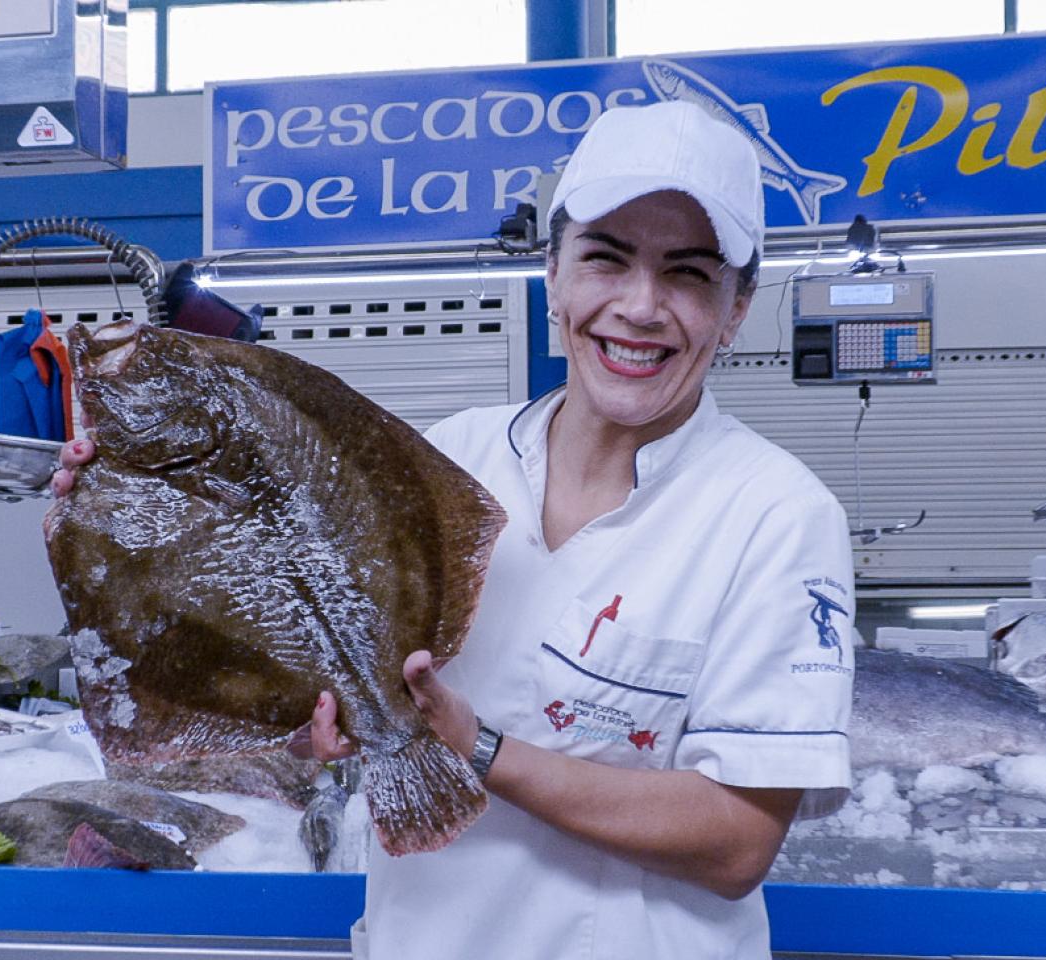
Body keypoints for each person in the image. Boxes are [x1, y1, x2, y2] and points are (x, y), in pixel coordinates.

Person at [53, 100, 855, 959]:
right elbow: (297, 641)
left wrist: (475, 748)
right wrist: (133, 544)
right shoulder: (452, 454)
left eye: (689, 274)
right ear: (554, 275)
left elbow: (735, 842)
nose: (640, 306)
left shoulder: (776, 512)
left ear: (736, 309)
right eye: (605, 260)